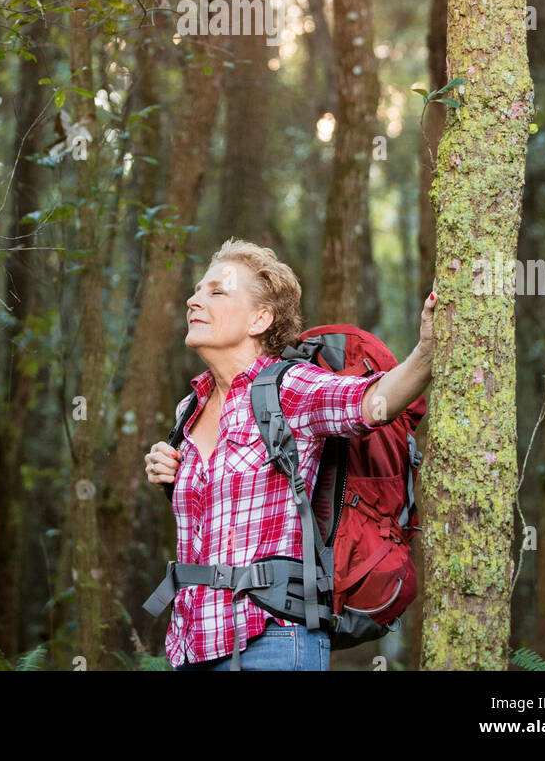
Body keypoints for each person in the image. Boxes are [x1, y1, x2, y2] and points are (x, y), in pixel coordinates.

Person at [144, 237, 436, 671]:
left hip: (271, 641)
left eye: (216, 291)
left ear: (260, 319)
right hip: (191, 644)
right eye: (198, 289)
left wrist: (428, 349)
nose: (193, 299)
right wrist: (167, 472)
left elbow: (375, 401)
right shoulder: (188, 409)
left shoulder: (290, 388)